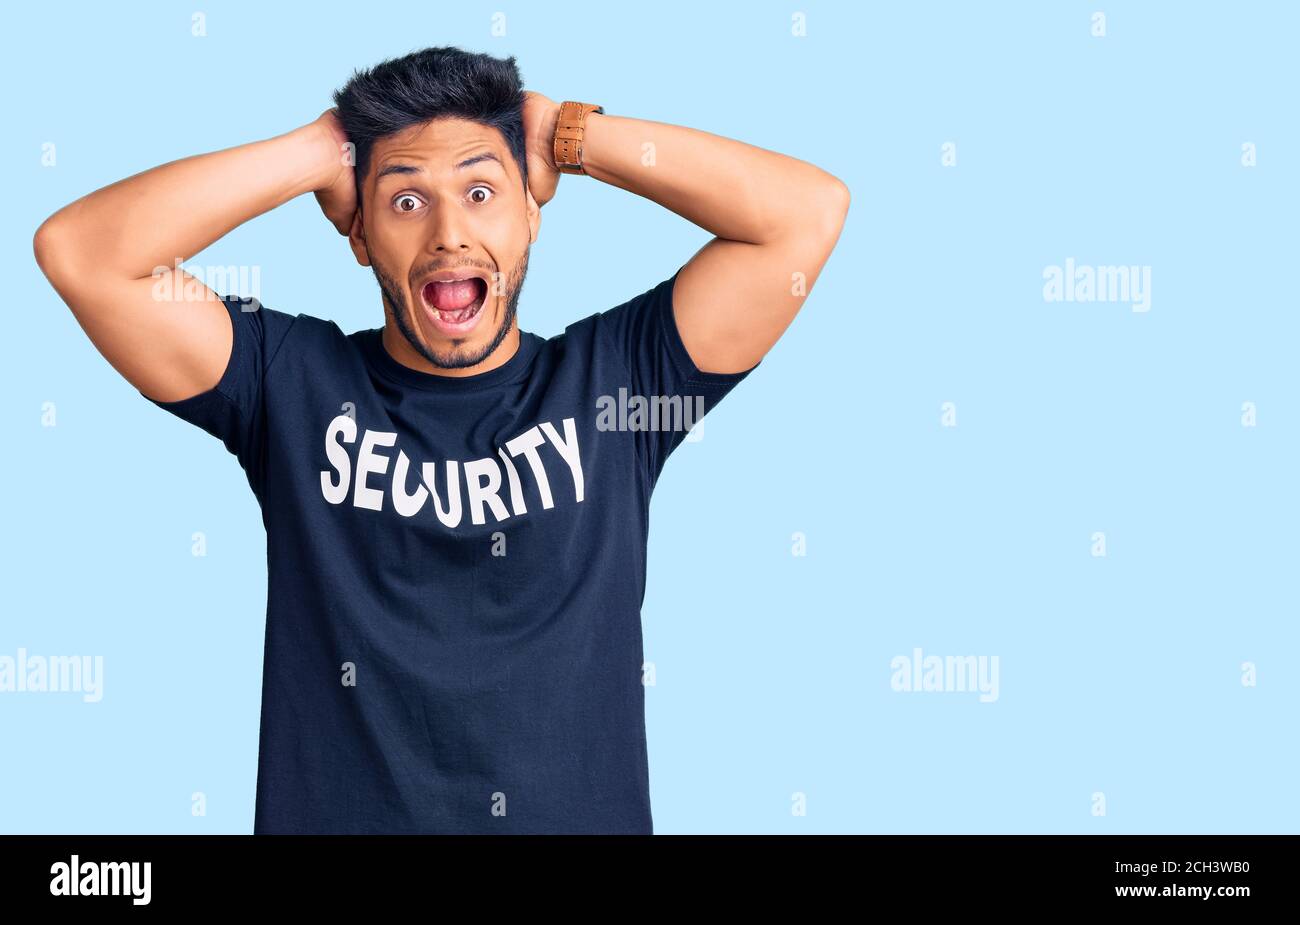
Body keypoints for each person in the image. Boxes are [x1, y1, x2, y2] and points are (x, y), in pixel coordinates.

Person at [32, 46, 849, 834]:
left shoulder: (619, 386)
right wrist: (323, 148)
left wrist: (566, 132)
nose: (449, 235)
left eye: (483, 192)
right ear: (358, 235)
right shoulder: (289, 384)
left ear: (533, 216)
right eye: (406, 201)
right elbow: (85, 255)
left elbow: (803, 216)